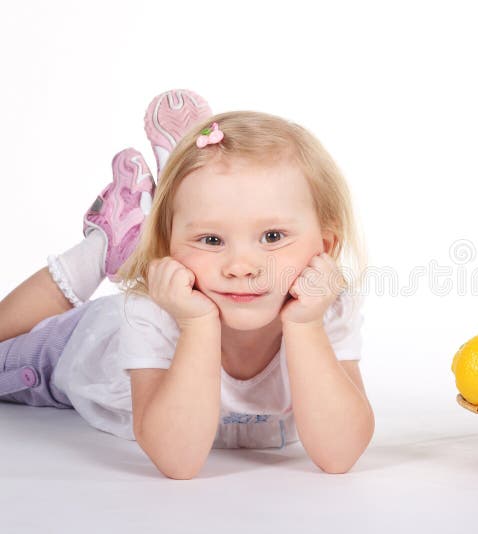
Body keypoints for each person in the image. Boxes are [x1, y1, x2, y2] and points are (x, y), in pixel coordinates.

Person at [0, 90, 374, 479]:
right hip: (75, 345)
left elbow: (339, 454)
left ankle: (148, 222)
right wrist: (196, 325)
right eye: (212, 240)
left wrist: (305, 326)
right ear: (169, 250)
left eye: (273, 236)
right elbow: (177, 461)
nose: (241, 267)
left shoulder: (326, 308)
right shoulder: (149, 312)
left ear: (325, 247)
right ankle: (103, 249)